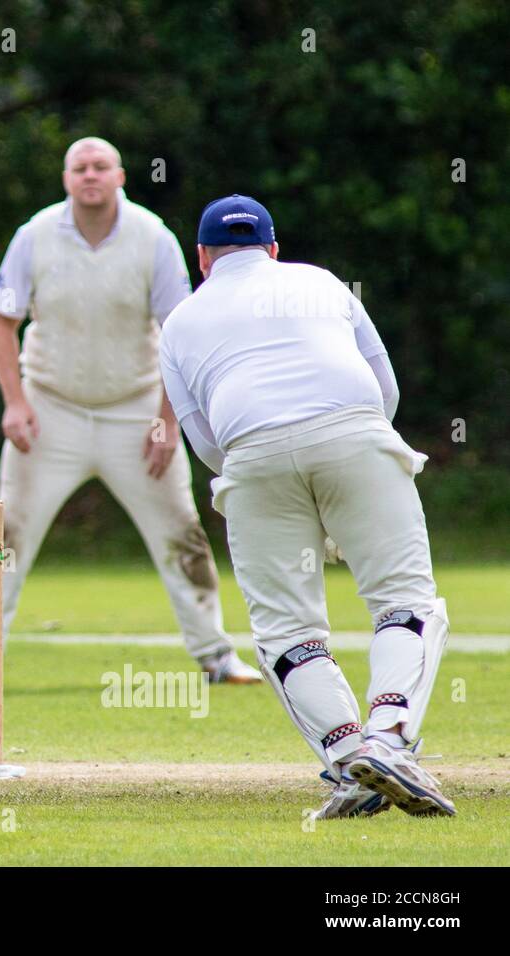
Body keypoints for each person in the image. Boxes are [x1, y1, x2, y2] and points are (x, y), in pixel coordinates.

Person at [159, 194, 454, 818]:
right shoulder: (320, 281)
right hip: (354, 432)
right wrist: (352, 477)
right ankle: (390, 737)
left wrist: (280, 480)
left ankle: (348, 758)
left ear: (203, 257)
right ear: (272, 248)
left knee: (286, 633)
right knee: (405, 600)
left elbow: (206, 442)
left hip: (251, 457)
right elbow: (385, 388)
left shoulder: (180, 321)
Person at [0, 137, 261, 689]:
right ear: (66, 178)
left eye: (100, 167)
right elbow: (2, 322)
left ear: (120, 176)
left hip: (137, 411)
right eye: (80, 168)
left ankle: (216, 655)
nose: (90, 175)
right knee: (9, 532)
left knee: (181, 531)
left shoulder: (153, 237)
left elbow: (180, 331)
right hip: (49, 410)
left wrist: (168, 419)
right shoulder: (34, 235)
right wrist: (15, 403)